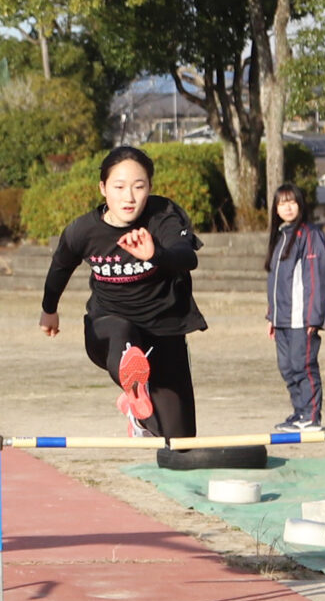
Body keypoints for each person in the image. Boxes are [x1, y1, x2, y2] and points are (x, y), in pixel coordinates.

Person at [39, 146, 207, 438]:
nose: (129, 197)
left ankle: (139, 414)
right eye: (119, 187)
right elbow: (60, 267)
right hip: (109, 330)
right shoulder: (83, 231)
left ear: (150, 188)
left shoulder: (163, 216)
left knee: (180, 444)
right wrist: (49, 309)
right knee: (122, 332)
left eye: (138, 187)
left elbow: (187, 257)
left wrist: (156, 254)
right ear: (103, 188)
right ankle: (134, 388)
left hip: (164, 333)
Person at [265, 182, 325, 430]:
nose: (287, 207)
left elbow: (317, 278)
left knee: (303, 365)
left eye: (291, 201)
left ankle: (312, 416)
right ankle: (299, 412)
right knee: (287, 367)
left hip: (302, 319)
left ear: (301, 204)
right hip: (282, 319)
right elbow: (276, 281)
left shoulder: (310, 235)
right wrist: (272, 316)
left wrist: (314, 317)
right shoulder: (281, 236)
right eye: (282, 203)